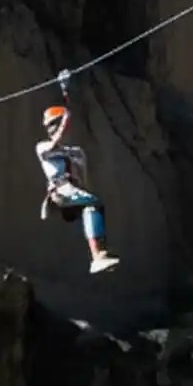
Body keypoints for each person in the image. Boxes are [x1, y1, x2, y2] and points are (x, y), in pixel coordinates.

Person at [36, 105, 120, 274]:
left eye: (56, 124)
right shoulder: (43, 147)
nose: (54, 129)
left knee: (95, 205)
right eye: (51, 126)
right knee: (94, 204)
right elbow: (54, 146)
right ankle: (97, 256)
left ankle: (100, 250)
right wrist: (65, 119)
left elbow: (83, 177)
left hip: (72, 190)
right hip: (60, 189)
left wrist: (83, 194)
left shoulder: (77, 152)